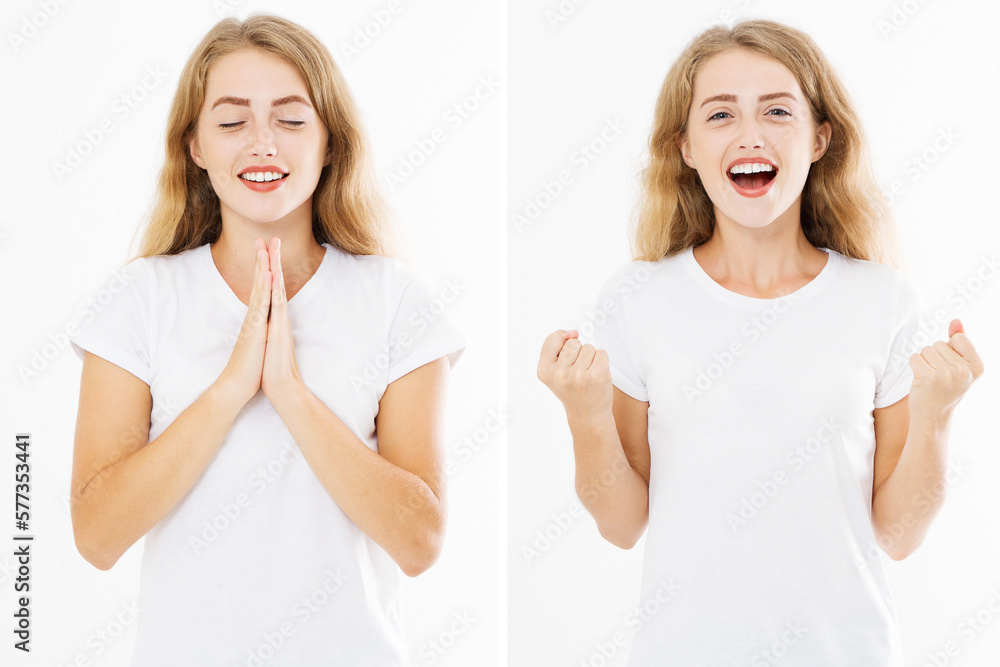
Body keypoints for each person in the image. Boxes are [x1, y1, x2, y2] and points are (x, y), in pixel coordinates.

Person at [536, 19, 983, 666]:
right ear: (685, 146)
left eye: (778, 110)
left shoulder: (881, 300)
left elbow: (900, 533)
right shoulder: (638, 300)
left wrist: (936, 416)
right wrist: (583, 413)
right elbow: (621, 522)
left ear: (820, 137)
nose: (751, 134)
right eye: (720, 115)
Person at [68, 13, 465, 666]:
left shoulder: (397, 301)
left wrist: (290, 392)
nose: (261, 143)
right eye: (231, 122)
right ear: (194, 146)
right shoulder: (139, 300)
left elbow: (420, 543)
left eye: (290, 118)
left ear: (331, 140)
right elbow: (97, 535)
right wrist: (229, 389)